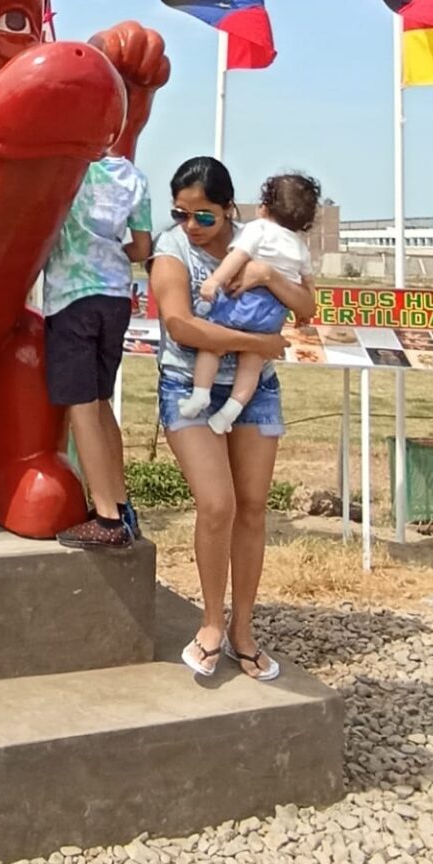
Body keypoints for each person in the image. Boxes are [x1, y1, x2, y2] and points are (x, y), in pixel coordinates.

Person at [149, 157, 314, 682]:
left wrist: (268, 276)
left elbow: (307, 305)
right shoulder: (171, 250)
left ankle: (243, 629)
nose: (190, 225)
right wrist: (257, 343)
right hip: (187, 386)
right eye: (180, 213)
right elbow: (181, 325)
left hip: (255, 391)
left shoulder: (262, 240)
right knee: (217, 503)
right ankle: (210, 625)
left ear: (229, 209)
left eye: (203, 216)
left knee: (253, 508)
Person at [42, 153, 152, 549]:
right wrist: (109, 253)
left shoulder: (65, 166)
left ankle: (106, 518)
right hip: (116, 296)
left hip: (72, 295)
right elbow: (142, 247)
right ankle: (122, 506)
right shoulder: (133, 176)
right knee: (102, 402)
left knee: (82, 408)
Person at [178, 172, 320, 434]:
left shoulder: (258, 228)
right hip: (273, 310)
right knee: (253, 361)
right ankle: (229, 413)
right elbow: (308, 283)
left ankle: (200, 394)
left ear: (264, 207)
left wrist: (215, 280)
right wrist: (304, 314)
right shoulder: (301, 247)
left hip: (243, 300)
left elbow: (238, 257)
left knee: (212, 345)